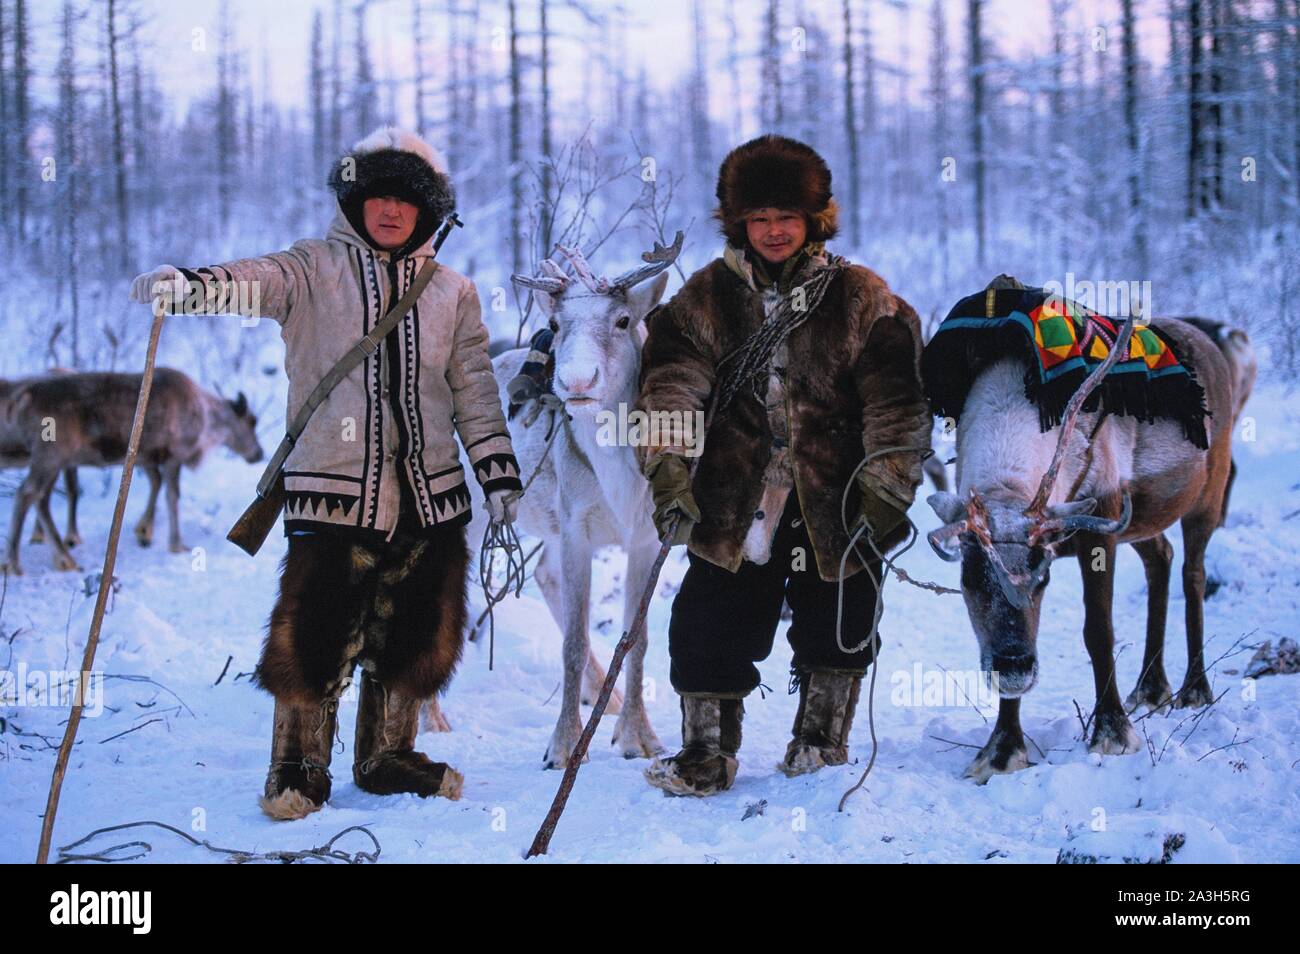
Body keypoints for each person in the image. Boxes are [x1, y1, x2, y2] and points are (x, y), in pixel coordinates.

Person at [129, 127, 523, 819]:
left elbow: (476, 389)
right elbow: (249, 281)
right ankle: (297, 766)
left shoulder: (454, 293)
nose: (391, 211)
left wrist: (496, 472)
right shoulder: (311, 268)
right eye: (377, 197)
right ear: (354, 202)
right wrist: (186, 288)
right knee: (315, 629)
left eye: (407, 200)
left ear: (429, 211)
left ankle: (387, 756)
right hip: (332, 490)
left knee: (416, 632)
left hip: (431, 497)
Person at [634, 134, 931, 796]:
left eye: (785, 217)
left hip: (837, 493)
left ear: (813, 219)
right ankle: (706, 753)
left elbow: (899, 404)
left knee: (842, 618)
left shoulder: (861, 296)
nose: (771, 231)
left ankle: (820, 742)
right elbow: (670, 387)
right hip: (734, 493)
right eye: (758, 218)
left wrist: (885, 490)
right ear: (739, 222)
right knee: (707, 621)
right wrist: (670, 471)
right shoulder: (704, 297)